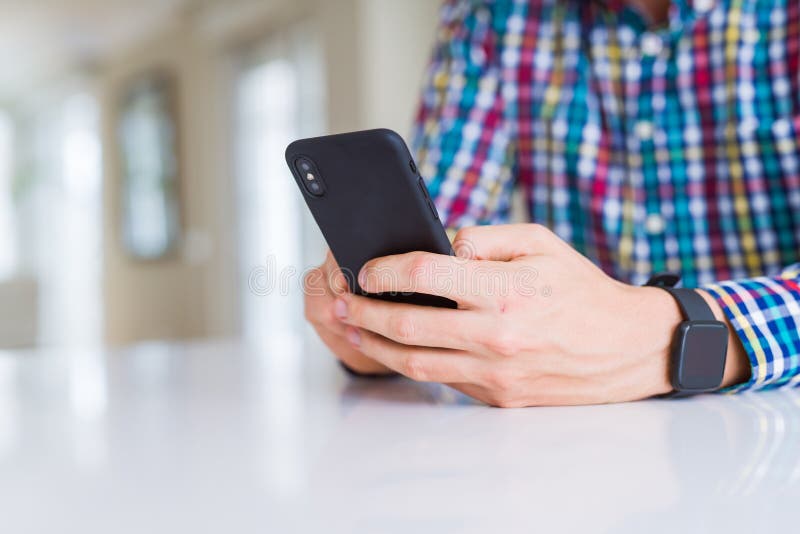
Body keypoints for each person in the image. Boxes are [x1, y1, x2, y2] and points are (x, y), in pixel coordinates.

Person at [303, 0, 800, 406]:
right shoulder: (492, 15)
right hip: (566, 446)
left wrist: (663, 336)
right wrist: (386, 324)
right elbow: (445, 229)